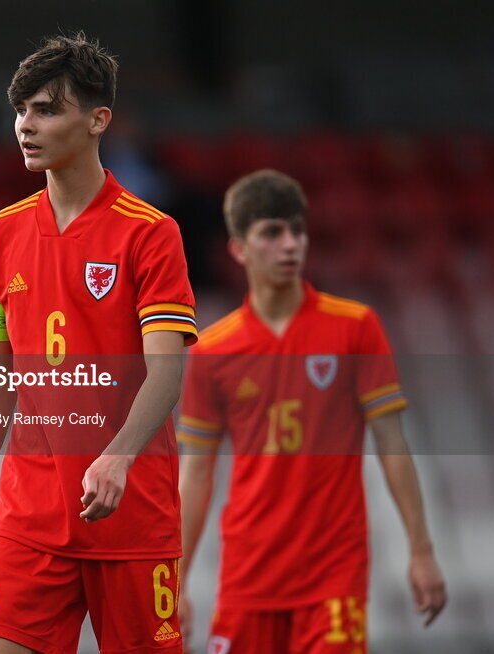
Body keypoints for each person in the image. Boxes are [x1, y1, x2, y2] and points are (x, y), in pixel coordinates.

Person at [0, 33, 198, 654]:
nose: (25, 126)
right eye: (21, 111)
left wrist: (117, 457)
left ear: (98, 120)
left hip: (131, 517)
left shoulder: (151, 234)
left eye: (45, 110)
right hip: (27, 518)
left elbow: (165, 374)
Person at [177, 169, 447, 654]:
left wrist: (422, 551)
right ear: (238, 249)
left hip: (333, 577)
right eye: (272, 233)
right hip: (246, 578)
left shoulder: (354, 328)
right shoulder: (212, 351)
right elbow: (196, 474)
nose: (290, 245)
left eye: (297, 231)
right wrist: (176, 581)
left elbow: (391, 443)